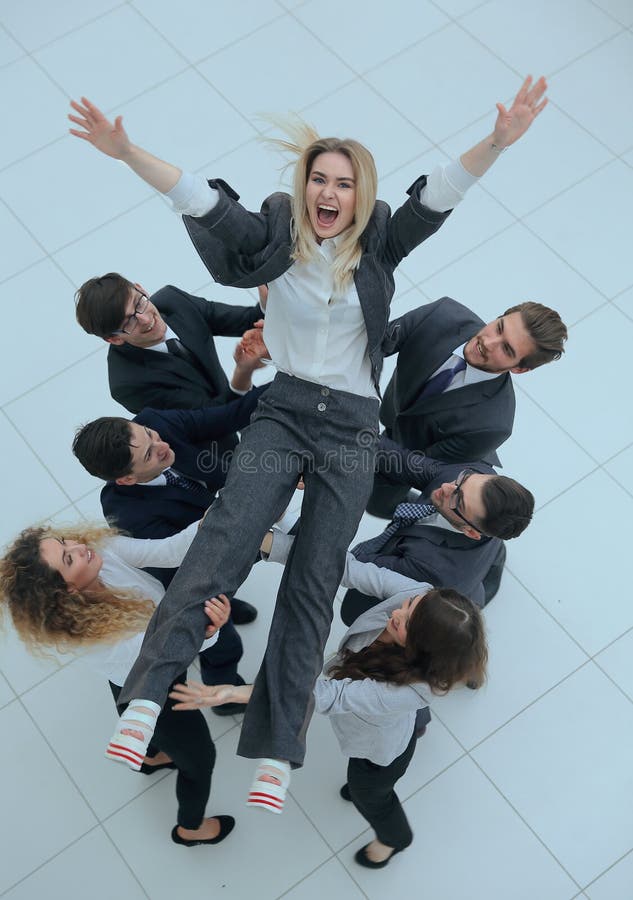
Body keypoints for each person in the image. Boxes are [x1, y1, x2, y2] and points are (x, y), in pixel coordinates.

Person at [68, 73, 547, 811]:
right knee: (222, 539)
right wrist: (127, 151)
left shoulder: (382, 242)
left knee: (317, 575)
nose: (329, 193)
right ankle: (145, 696)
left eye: (343, 184)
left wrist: (496, 142)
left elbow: (439, 196)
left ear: (361, 196)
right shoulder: (273, 241)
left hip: (354, 426)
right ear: (303, 187)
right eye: (318, 180)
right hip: (285, 410)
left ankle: (278, 747)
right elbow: (200, 199)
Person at [170, 538, 487, 867]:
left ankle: (395, 839)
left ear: (422, 650)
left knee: (371, 796)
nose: (398, 609)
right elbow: (344, 568)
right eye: (409, 606)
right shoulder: (418, 596)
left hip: (380, 754)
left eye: (406, 622)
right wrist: (271, 543)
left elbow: (322, 695)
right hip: (365, 727)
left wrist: (235, 692)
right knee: (361, 784)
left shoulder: (405, 692)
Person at [0, 521, 235, 847]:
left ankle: (151, 757)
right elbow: (173, 649)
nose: (78, 547)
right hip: (151, 690)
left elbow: (166, 550)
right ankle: (190, 828)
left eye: (64, 542)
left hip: (130, 678)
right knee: (200, 759)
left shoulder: (100, 553)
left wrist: (214, 517)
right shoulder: (100, 640)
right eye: (69, 559)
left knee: (145, 725)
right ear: (66, 591)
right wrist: (213, 630)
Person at [371, 296, 568, 517]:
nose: (488, 342)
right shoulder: (440, 315)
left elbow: (420, 467)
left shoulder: (492, 425)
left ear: (520, 369)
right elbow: (373, 346)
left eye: (506, 349)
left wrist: (363, 442)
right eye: (499, 327)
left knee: (378, 503)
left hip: (417, 451)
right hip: (393, 408)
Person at [343, 435, 534, 623]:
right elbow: (407, 462)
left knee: (352, 612)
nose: (446, 486)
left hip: (454, 589)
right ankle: (494, 555)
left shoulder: (433, 568)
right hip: (475, 547)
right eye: (463, 479)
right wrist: (352, 432)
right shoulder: (473, 478)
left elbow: (357, 565)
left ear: (471, 532)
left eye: (458, 500)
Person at [75, 272, 266, 415]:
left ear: (140, 288)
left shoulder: (173, 300)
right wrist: (243, 372)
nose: (144, 318)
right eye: (128, 322)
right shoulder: (129, 385)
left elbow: (247, 320)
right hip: (211, 441)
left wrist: (266, 300)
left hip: (232, 395)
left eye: (138, 302)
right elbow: (209, 418)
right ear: (114, 339)